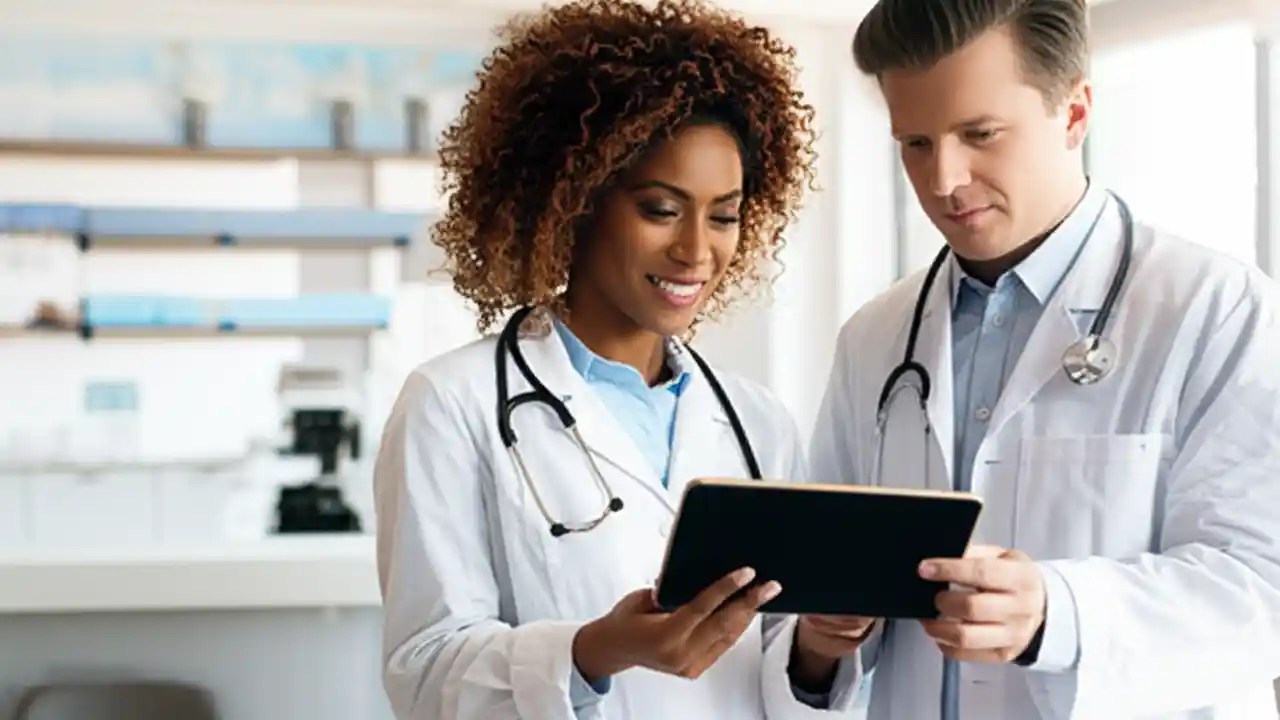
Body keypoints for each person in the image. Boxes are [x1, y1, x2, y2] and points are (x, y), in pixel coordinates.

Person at [372, 1, 868, 717]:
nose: (697, 251)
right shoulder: (453, 405)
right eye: (661, 209)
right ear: (574, 203)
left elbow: (776, 670)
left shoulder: (757, 422)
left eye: (723, 215)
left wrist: (822, 647)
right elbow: (423, 674)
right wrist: (596, 650)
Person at [807, 0, 1280, 718]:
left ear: (1075, 112)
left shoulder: (1216, 309)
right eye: (915, 143)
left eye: (980, 134)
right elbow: (817, 598)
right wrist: (822, 636)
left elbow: (1259, 588)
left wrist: (1056, 612)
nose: (943, 180)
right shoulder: (876, 338)